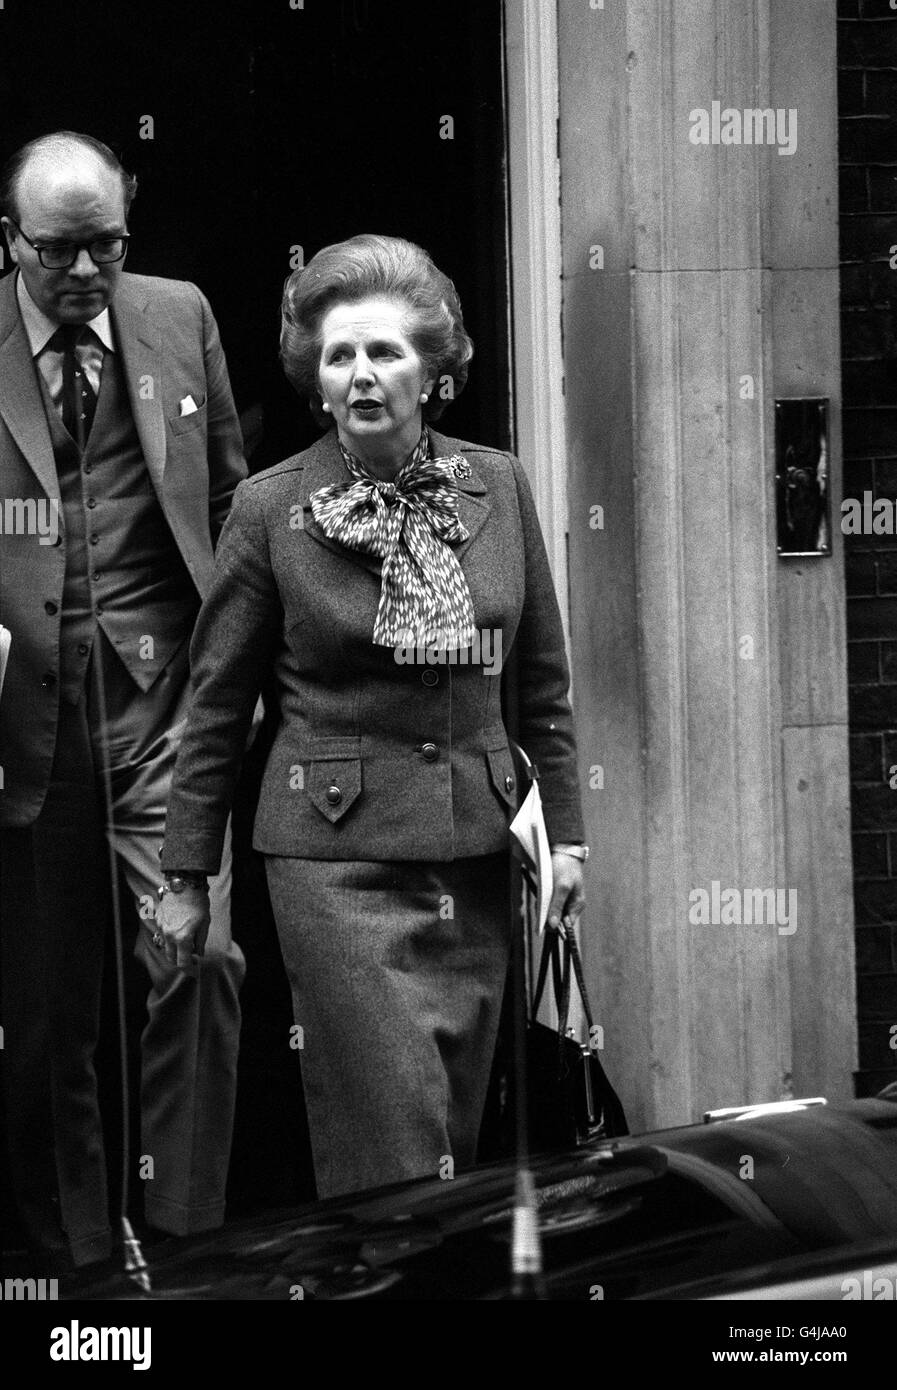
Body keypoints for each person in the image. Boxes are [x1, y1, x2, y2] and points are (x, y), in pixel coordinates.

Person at [159, 234, 587, 1199]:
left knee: (456, 1135)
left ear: (433, 372)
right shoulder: (271, 508)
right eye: (340, 355)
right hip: (335, 864)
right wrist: (187, 873)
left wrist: (570, 844)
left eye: (386, 353)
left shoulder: (499, 485)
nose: (360, 375)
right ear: (314, 376)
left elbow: (542, 684)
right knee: (392, 1136)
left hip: (477, 859)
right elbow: (216, 706)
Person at [0, 131, 246, 1266]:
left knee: (199, 962)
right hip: (25, 724)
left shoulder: (180, 314)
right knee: (52, 1013)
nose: (88, 270)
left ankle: (187, 1234)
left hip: (162, 712)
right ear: (12, 242)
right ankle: (87, 1257)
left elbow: (235, 506)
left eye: (107, 242)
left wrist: (235, 678)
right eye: (60, 250)